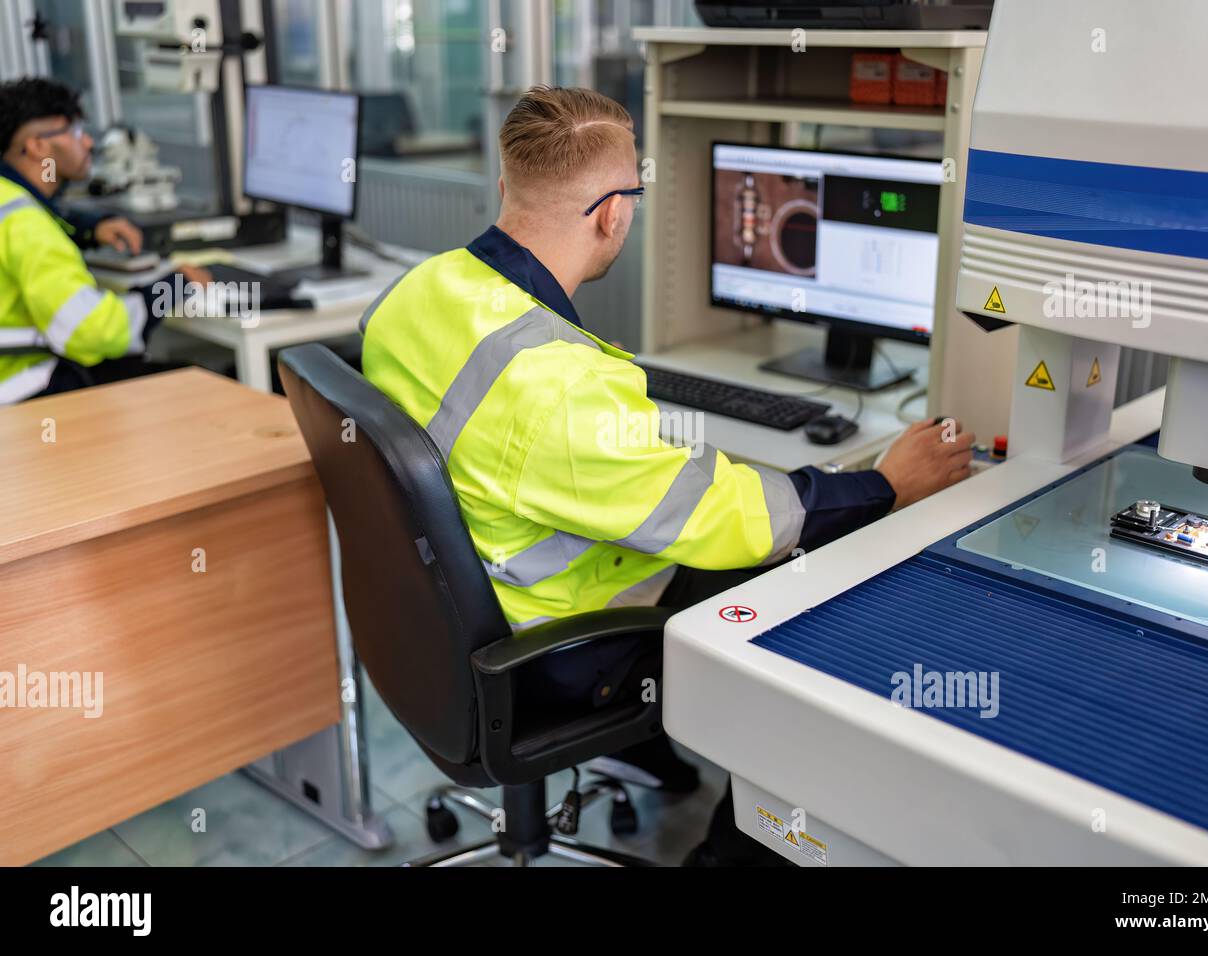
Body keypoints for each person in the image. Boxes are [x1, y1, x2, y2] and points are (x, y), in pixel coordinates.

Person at [360, 86, 974, 864]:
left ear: (507, 185)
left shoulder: (419, 291)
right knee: (811, 599)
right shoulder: (560, 386)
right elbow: (733, 519)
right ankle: (737, 852)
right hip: (551, 649)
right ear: (613, 213)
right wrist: (886, 487)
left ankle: (651, 748)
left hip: (450, 616)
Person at [0, 77, 208, 403]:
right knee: (196, 387)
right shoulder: (27, 225)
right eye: (75, 132)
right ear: (38, 145)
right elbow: (91, 330)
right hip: (26, 388)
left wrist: (90, 228)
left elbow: (45, 218)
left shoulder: (9, 201)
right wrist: (170, 288)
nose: (87, 144)